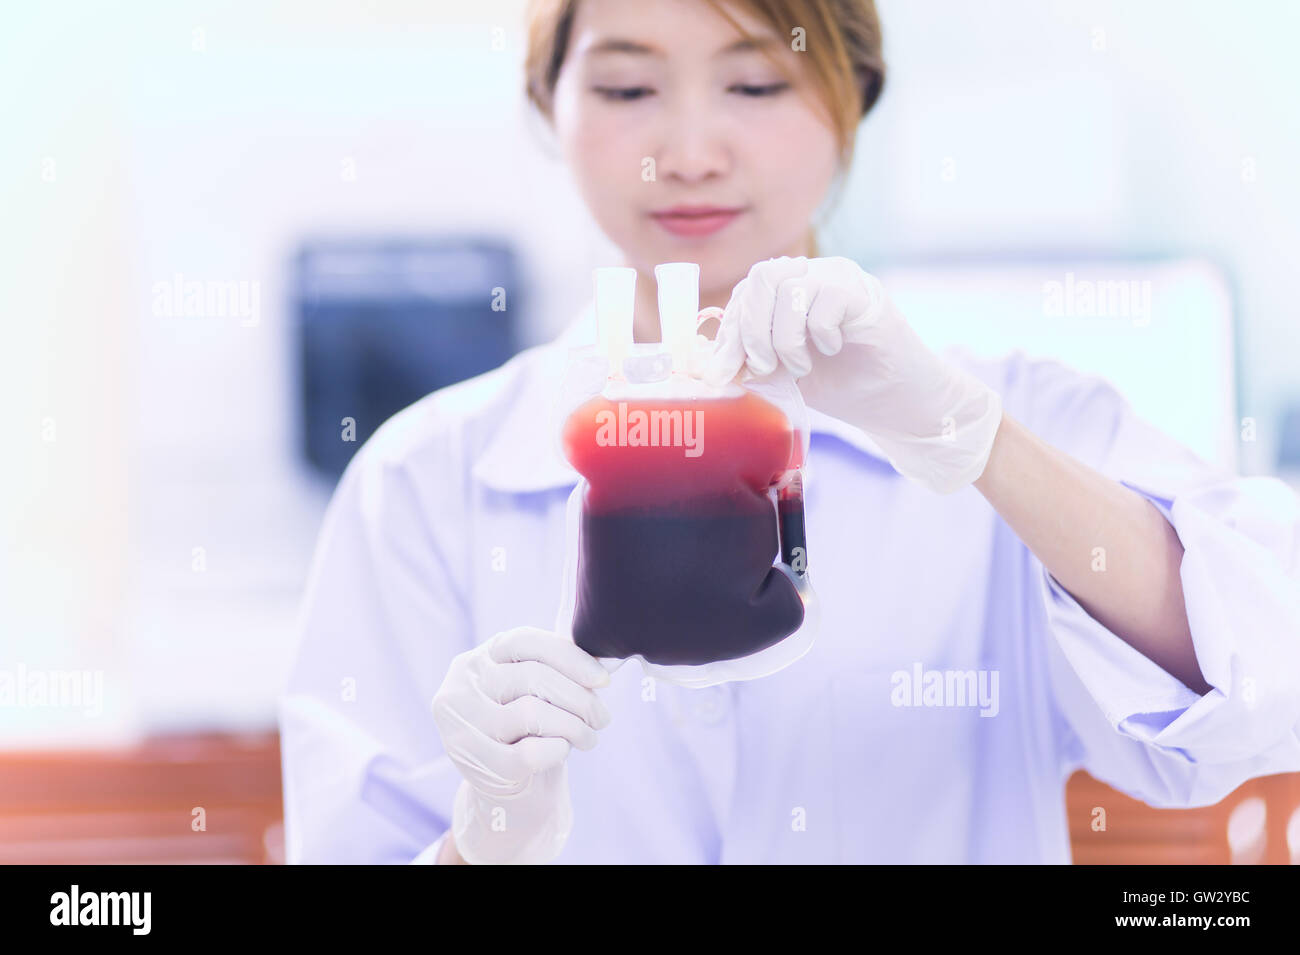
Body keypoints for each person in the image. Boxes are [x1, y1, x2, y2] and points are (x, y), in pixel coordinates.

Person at [278, 0, 1300, 864]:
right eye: (628, 90)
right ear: (550, 104)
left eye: (758, 85)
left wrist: (973, 439)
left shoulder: (1028, 421)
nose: (687, 153)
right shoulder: (423, 482)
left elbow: (1260, 682)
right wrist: (485, 841)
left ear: (852, 97)